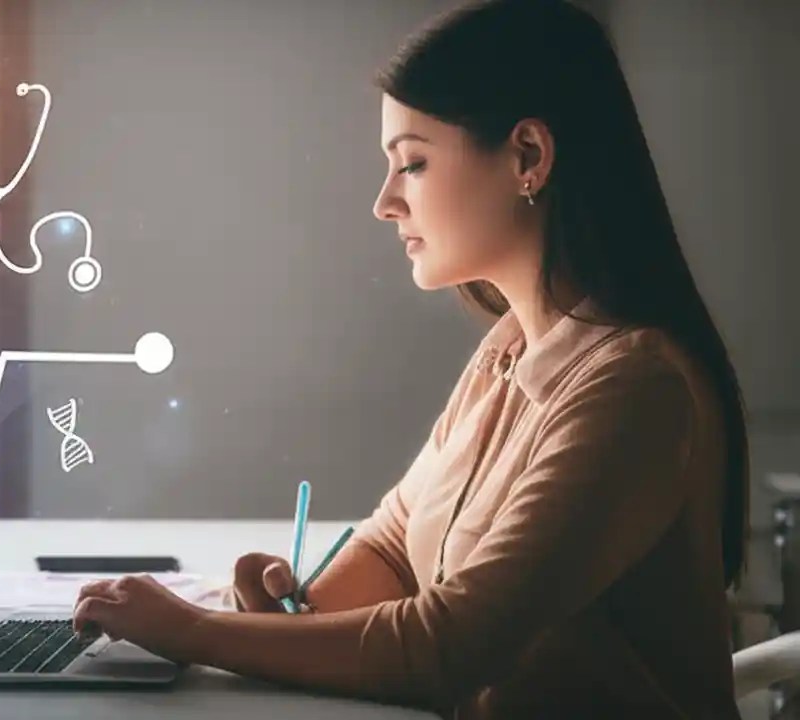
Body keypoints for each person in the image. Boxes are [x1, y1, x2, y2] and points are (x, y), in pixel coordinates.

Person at [70, 0, 749, 717]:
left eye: (414, 163)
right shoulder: (509, 352)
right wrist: (292, 615)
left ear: (528, 157)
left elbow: (447, 647)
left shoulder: (635, 388)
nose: (385, 202)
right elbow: (395, 550)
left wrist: (193, 630)